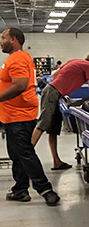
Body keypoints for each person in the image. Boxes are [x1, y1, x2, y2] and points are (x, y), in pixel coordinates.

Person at [0, 28, 59, 205]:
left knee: (24, 152)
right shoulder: (19, 57)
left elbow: (19, 85)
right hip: (13, 114)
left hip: (19, 114)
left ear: (13, 39)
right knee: (16, 153)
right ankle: (20, 189)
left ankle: (45, 189)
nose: (1, 41)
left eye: (3, 38)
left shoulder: (17, 58)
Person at [31, 51, 89, 169]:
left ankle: (56, 161)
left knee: (53, 129)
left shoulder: (75, 60)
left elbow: (54, 75)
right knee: (42, 124)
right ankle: (26, 159)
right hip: (53, 92)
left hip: (53, 91)